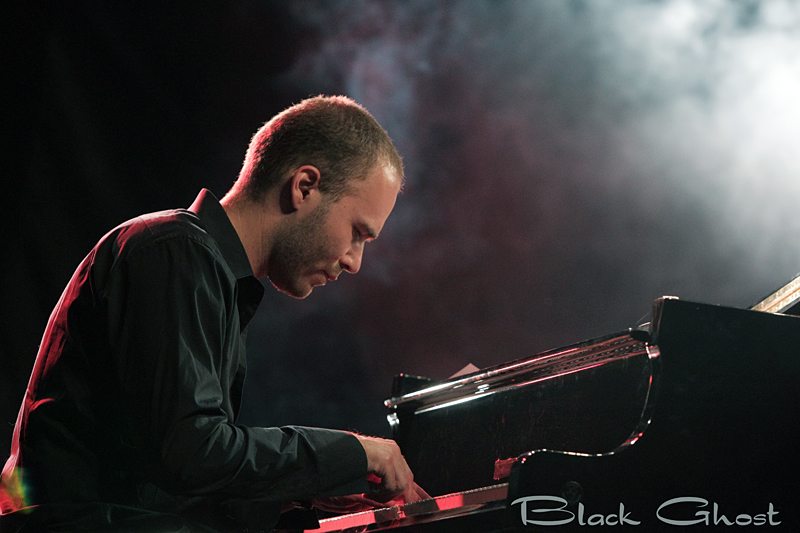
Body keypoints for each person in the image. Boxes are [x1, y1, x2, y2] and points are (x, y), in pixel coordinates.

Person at [0, 96, 426, 532]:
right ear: (303, 187)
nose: (355, 261)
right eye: (358, 233)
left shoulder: (205, 270)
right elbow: (194, 451)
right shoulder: (174, 252)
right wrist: (357, 452)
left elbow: (162, 475)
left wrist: (305, 488)